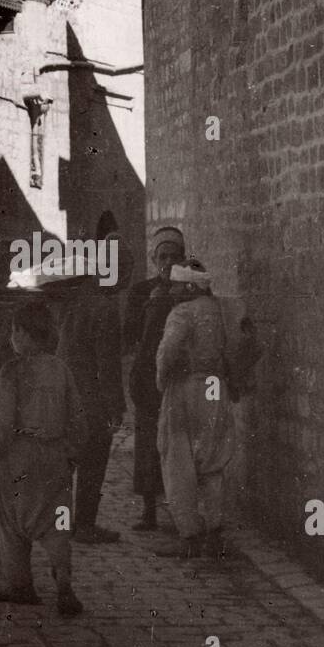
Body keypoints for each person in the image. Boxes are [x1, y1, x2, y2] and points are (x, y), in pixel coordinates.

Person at [0, 299, 86, 617]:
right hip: (55, 454)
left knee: (12, 523)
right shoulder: (60, 368)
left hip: (19, 455)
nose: (12, 338)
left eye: (15, 331)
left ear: (25, 334)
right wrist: (70, 452)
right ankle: (63, 578)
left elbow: (0, 421)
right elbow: (78, 419)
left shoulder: (12, 371)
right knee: (55, 520)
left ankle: (21, 586)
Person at [155, 259, 235, 558]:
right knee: (213, 461)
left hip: (187, 389)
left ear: (189, 286)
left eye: (177, 286)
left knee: (179, 462)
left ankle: (189, 535)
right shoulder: (219, 310)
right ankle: (215, 532)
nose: (173, 291)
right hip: (216, 388)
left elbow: (167, 352)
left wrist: (162, 382)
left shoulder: (182, 313)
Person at [56, 267, 125, 545]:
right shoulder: (104, 307)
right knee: (94, 462)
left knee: (65, 462)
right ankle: (84, 526)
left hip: (65, 395)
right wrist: (115, 406)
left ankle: (57, 522)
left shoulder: (71, 306)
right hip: (91, 398)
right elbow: (107, 365)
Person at [124, 226, 187, 530]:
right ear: (153, 258)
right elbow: (130, 333)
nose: (167, 262)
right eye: (162, 256)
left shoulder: (190, 290)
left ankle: (179, 510)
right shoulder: (140, 291)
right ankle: (149, 509)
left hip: (178, 377)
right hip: (149, 378)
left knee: (178, 444)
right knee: (148, 444)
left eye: (174, 257)